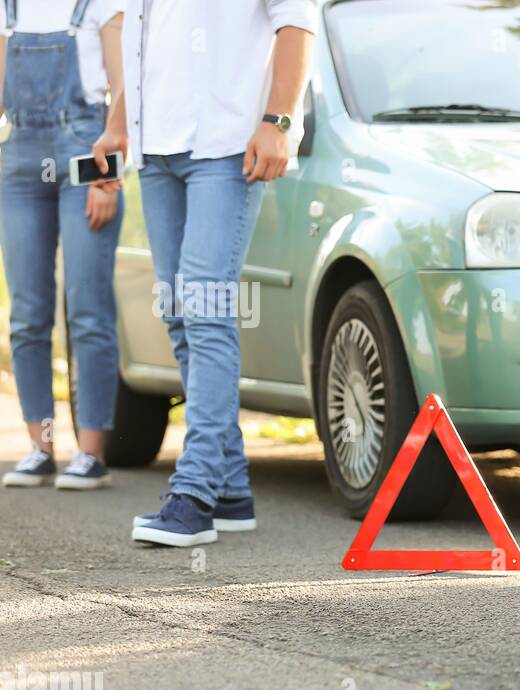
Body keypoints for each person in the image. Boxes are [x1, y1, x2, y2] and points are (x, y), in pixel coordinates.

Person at [93, 0, 316, 547]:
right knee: (178, 315)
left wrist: (278, 121)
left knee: (207, 312)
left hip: (225, 146)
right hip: (157, 151)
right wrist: (118, 127)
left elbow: (298, 20)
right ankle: (232, 489)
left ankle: (194, 496)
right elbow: (141, 45)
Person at [0, 0, 125, 491]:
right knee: (28, 313)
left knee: (88, 308)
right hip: (18, 161)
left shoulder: (99, 4)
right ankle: (40, 447)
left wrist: (107, 178)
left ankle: (90, 454)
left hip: (85, 156)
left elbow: (122, 91)